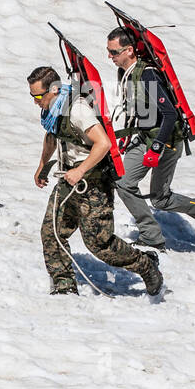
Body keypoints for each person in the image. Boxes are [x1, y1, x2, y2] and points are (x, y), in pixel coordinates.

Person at [29, 66, 163, 297]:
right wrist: (42, 165)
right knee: (51, 232)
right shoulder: (52, 110)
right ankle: (64, 284)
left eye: (38, 96)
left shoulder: (78, 109)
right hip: (69, 179)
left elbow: (103, 143)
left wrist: (80, 171)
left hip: (92, 183)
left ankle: (145, 265)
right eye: (32, 96)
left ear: (53, 90)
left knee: (100, 244)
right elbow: (53, 135)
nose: (35, 101)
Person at [106, 27, 195, 249]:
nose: (110, 56)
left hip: (167, 140)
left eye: (114, 52)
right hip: (143, 137)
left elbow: (170, 115)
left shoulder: (147, 75)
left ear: (130, 50)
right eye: (109, 51)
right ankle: (152, 236)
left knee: (160, 199)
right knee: (124, 183)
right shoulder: (127, 73)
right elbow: (137, 109)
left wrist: (156, 148)